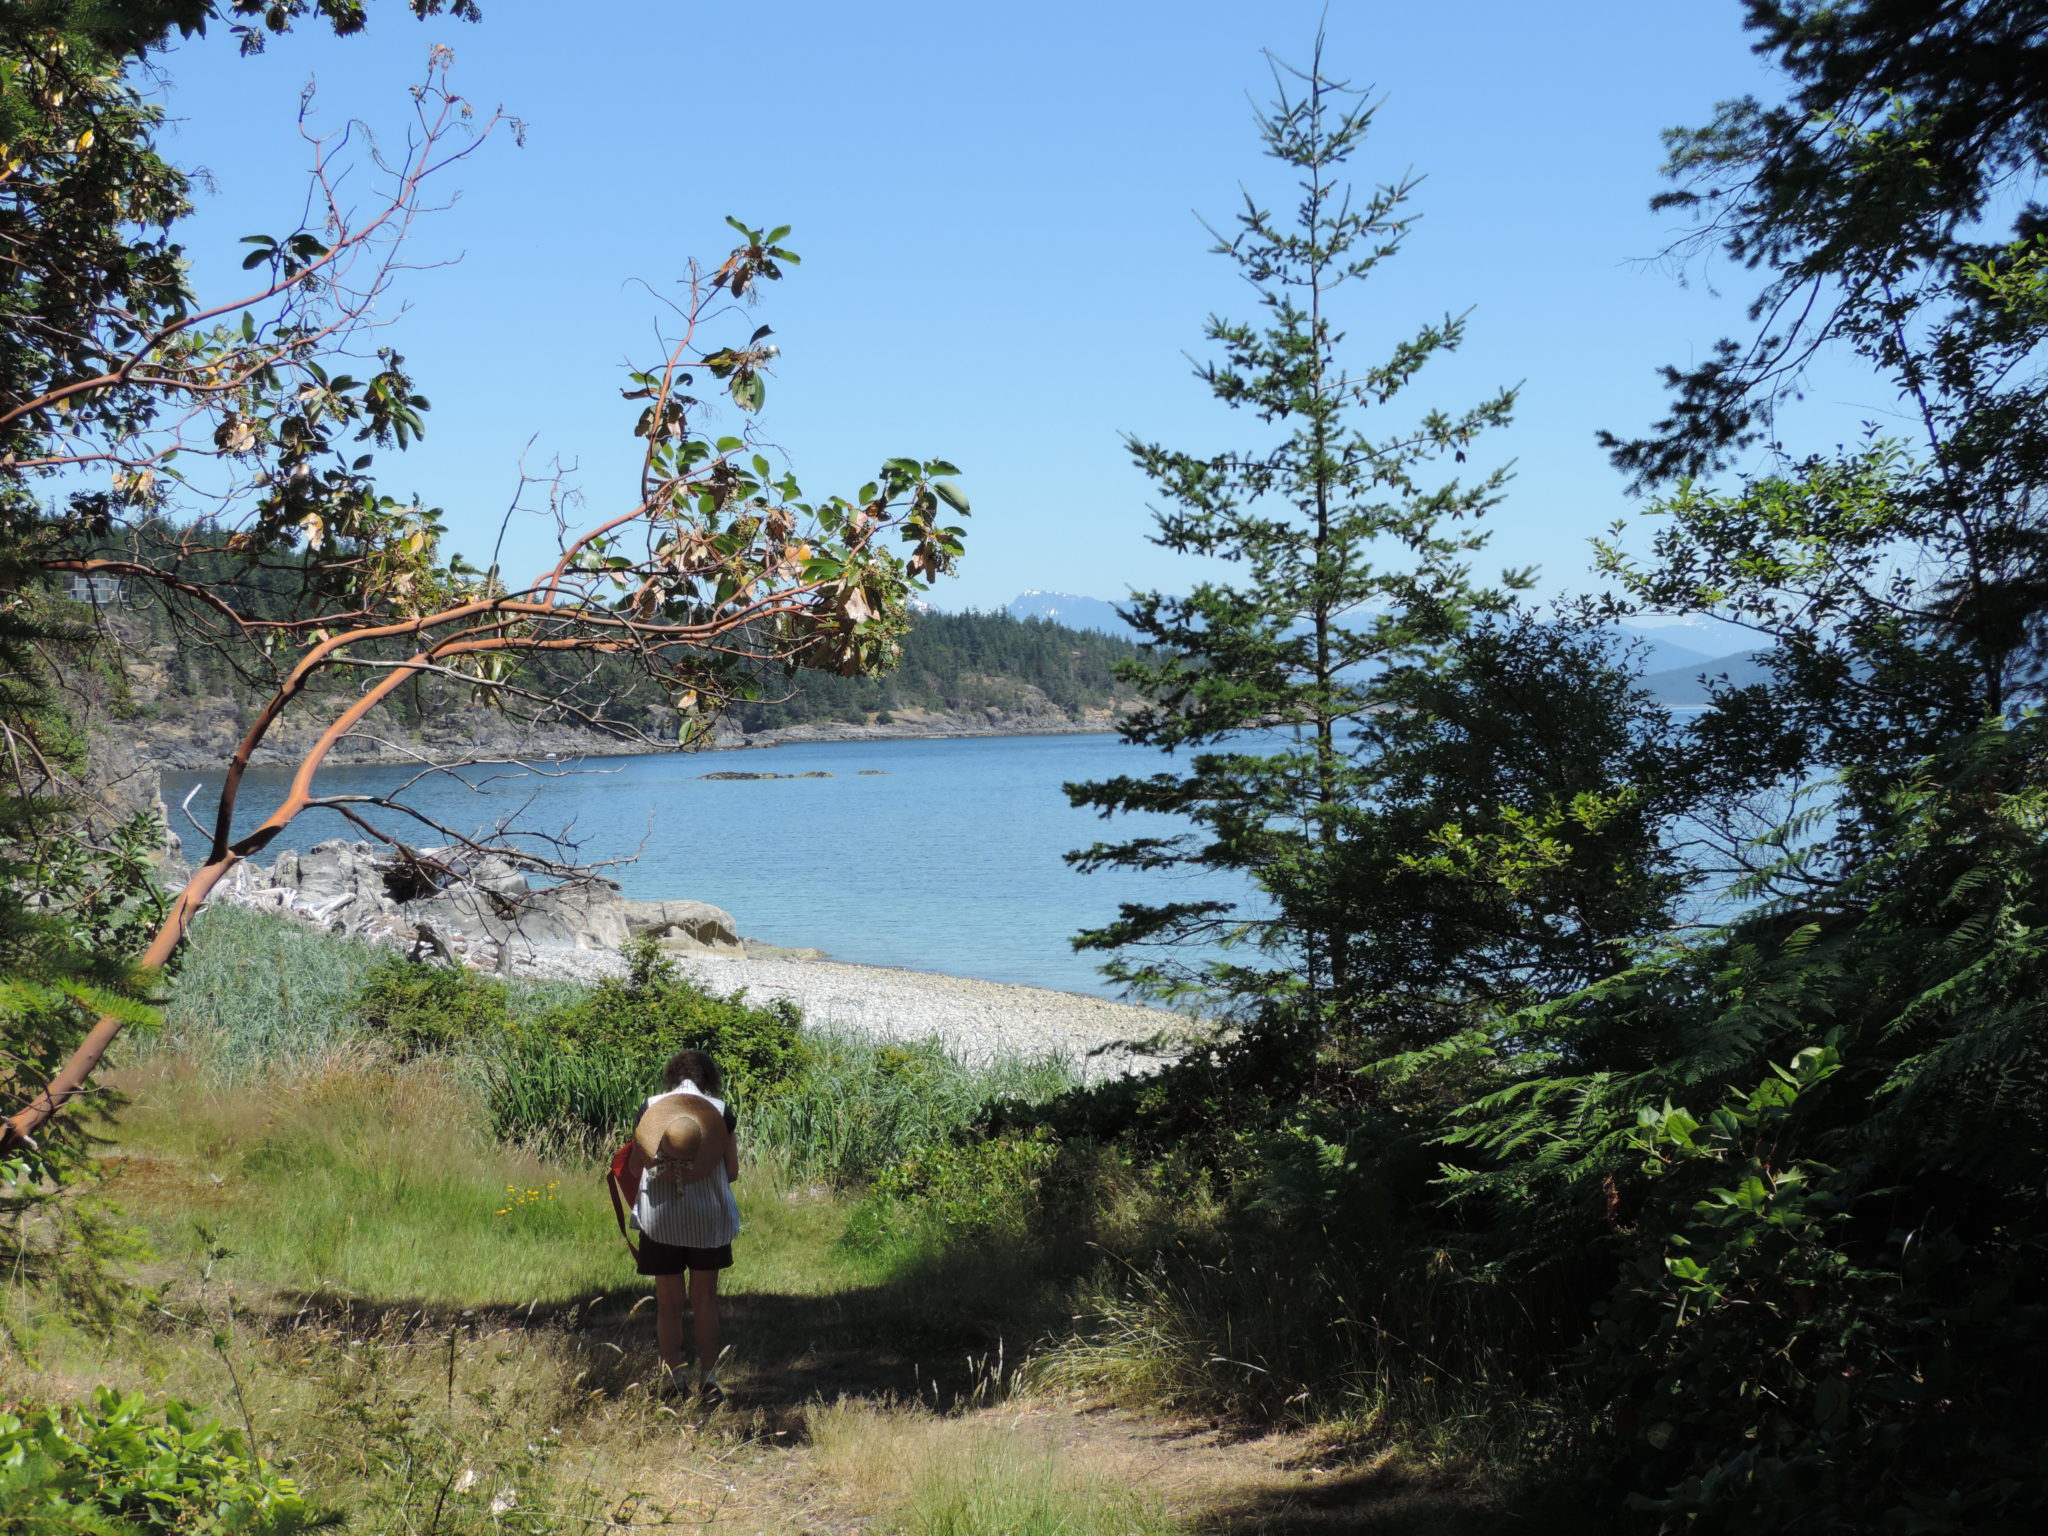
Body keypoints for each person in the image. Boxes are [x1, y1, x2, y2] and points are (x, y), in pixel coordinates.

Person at [623, 1048, 741, 1401]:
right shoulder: (721, 1112)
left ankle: (674, 1379)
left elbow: (632, 1169)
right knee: (704, 1299)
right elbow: (732, 1172)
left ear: (671, 1076)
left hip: (661, 1219)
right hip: (709, 1218)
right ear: (709, 1079)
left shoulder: (650, 1108)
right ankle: (709, 1378)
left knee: (668, 1301)